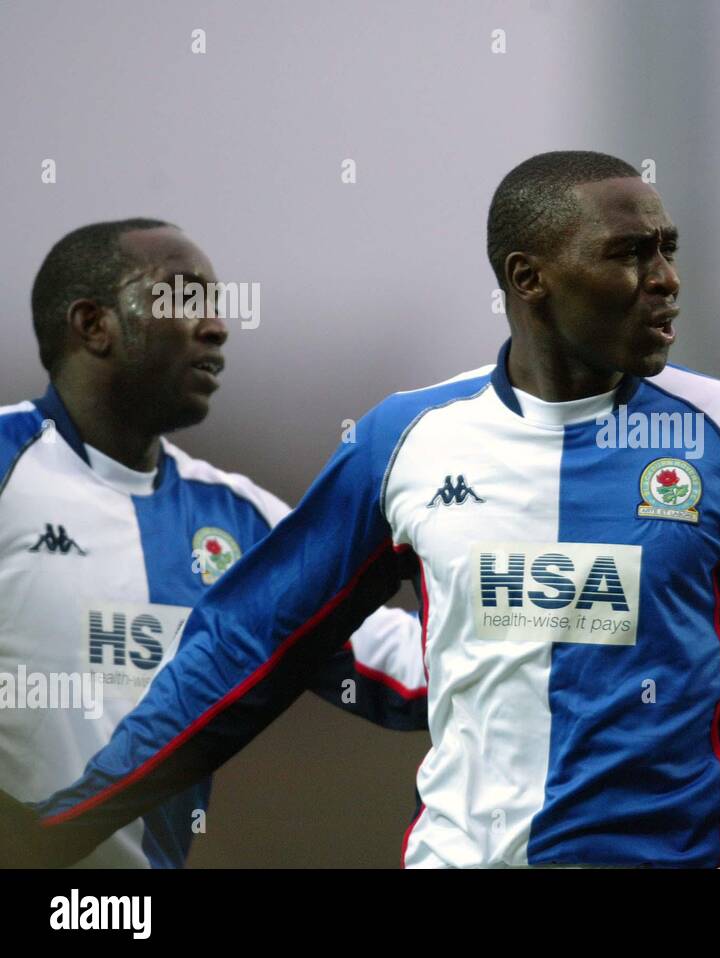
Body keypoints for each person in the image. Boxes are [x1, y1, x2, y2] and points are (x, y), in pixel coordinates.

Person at [3, 153, 720, 869]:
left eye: (668, 249)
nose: (665, 281)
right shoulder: (409, 438)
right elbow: (248, 648)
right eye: (629, 254)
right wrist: (67, 824)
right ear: (528, 278)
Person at [0, 219, 428, 867]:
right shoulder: (8, 465)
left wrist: (578, 627)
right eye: (182, 298)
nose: (218, 326)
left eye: (218, 305)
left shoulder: (238, 518)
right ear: (94, 325)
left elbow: (393, 664)